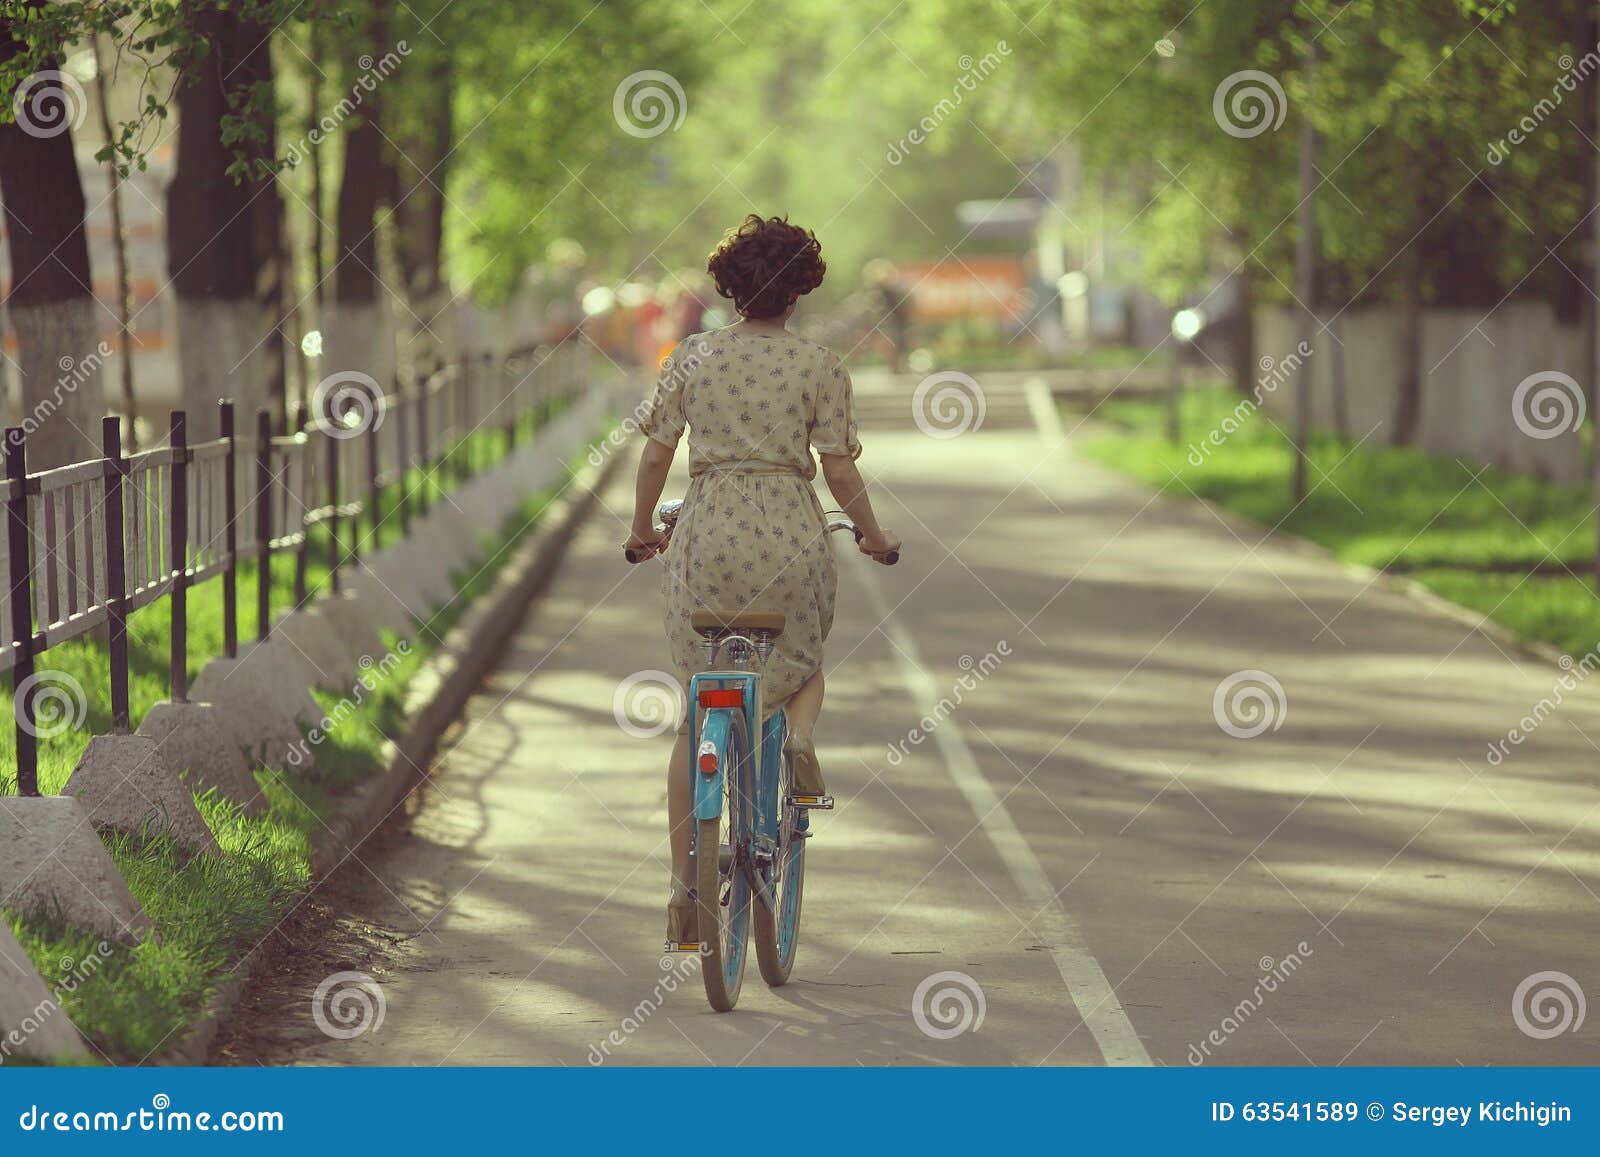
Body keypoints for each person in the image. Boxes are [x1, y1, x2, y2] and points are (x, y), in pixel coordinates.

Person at [625, 214, 901, 944]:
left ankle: (686, 890)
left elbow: (655, 454)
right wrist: (875, 535)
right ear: (800, 290)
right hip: (789, 536)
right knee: (801, 663)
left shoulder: (691, 357)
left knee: (695, 715)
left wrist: (642, 527)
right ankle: (799, 737)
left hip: (707, 535)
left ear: (729, 287)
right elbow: (839, 469)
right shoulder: (819, 365)